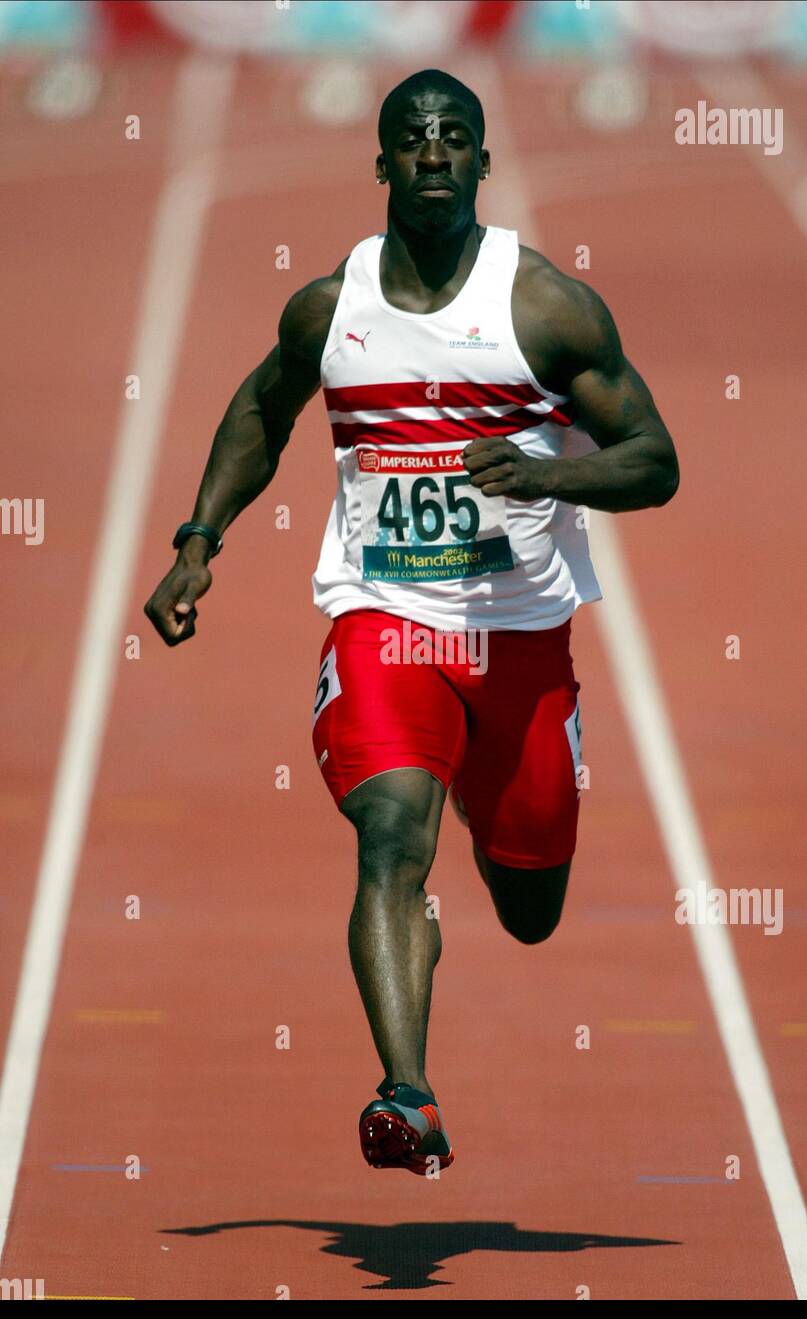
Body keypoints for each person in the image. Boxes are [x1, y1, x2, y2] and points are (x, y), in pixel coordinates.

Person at [145, 68, 678, 1177]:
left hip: (518, 640)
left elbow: (654, 463)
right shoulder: (329, 310)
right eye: (411, 139)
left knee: (529, 905)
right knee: (389, 834)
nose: (432, 154)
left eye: (452, 139)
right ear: (379, 162)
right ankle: (408, 1094)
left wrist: (546, 475)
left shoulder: (544, 306)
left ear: (482, 161)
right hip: (383, 615)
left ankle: (485, 833)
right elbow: (262, 405)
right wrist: (200, 539)